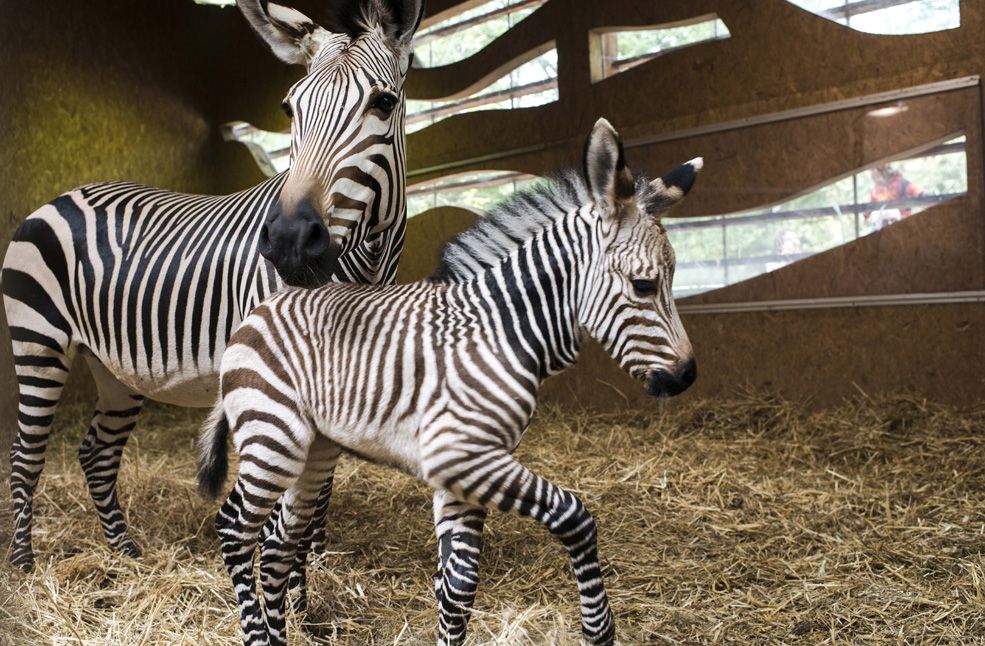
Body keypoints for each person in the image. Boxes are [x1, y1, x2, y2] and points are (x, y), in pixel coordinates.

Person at [864, 165, 924, 229]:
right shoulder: (876, 189)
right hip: (882, 225)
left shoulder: (902, 183)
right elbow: (870, 205)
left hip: (903, 223)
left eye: (873, 171)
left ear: (881, 172)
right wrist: (866, 217)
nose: (871, 176)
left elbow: (920, 193)